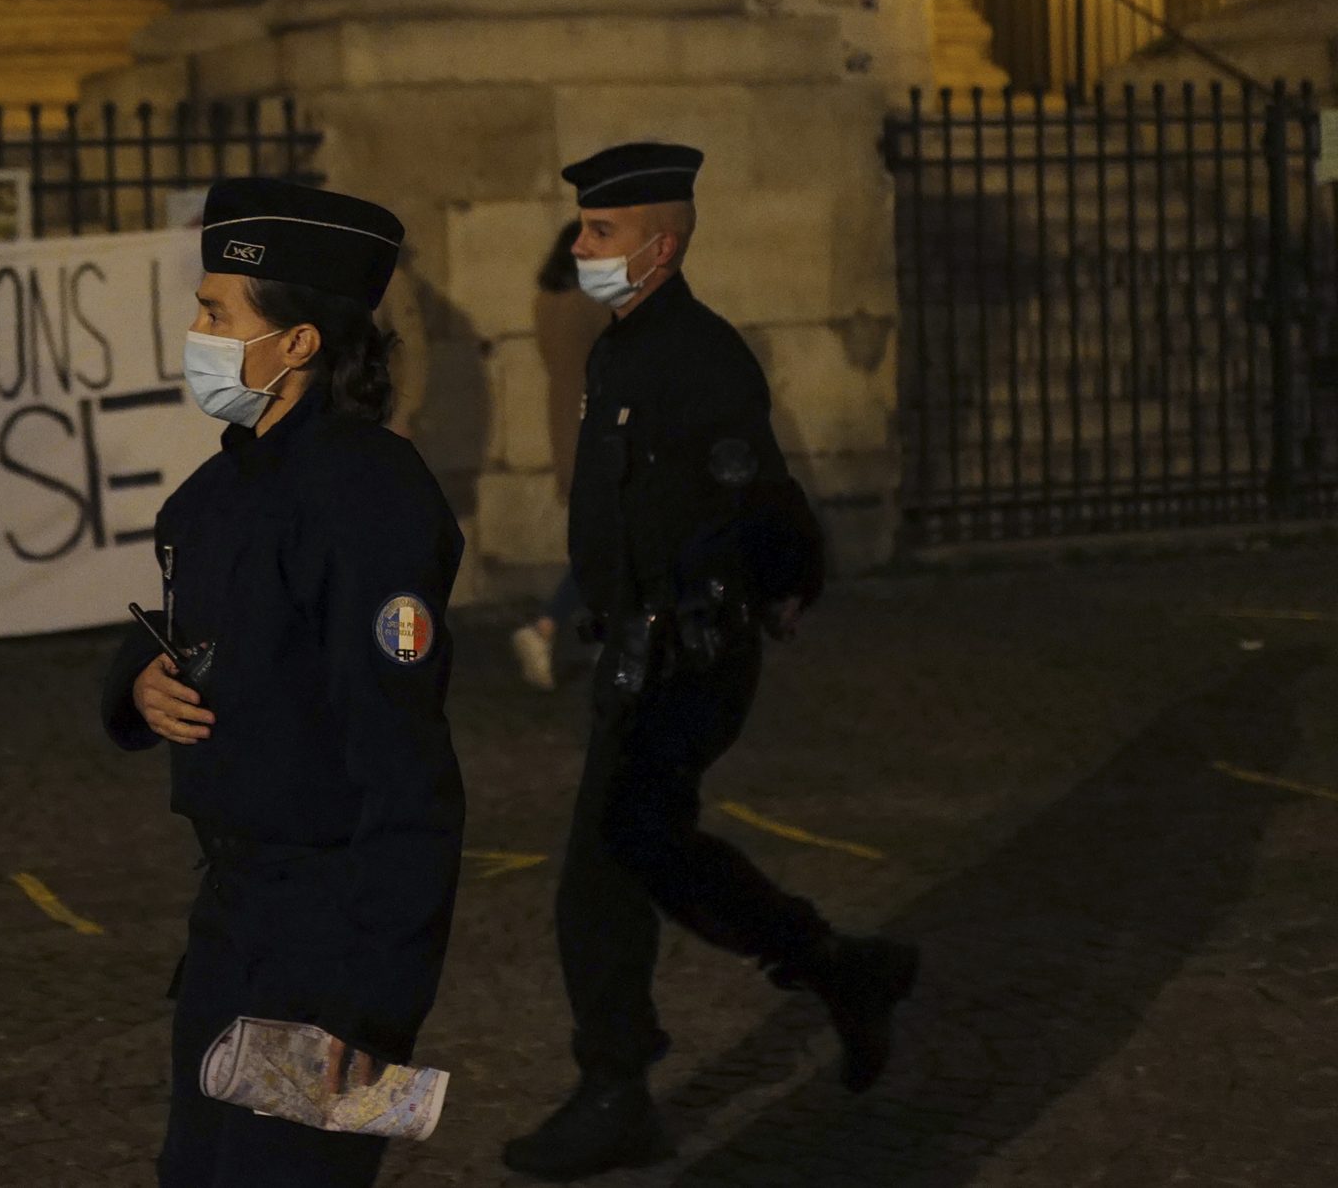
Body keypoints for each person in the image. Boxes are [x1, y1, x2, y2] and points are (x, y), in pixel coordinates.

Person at [502, 143, 919, 1181]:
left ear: (662, 244)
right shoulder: (618, 349)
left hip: (690, 650)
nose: (583, 249)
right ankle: (837, 964)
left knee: (602, 868)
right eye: (582, 232)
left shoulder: (701, 355)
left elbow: (757, 492)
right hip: (633, 648)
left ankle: (617, 1090)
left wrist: (771, 585)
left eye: (601, 234)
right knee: (642, 848)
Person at [100, 177, 466, 1188]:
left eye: (217, 311)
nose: (197, 329)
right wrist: (138, 684)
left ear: (297, 340)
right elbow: (185, 633)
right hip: (233, 919)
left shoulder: (368, 501)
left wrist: (370, 1004)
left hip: (326, 936)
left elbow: (404, 763)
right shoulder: (218, 490)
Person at [512, 220, 607, 692]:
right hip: (598, 435)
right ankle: (546, 625)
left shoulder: (548, 302)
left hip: (568, 432)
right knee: (606, 545)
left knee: (607, 543)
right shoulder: (591, 305)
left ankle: (605, 640)